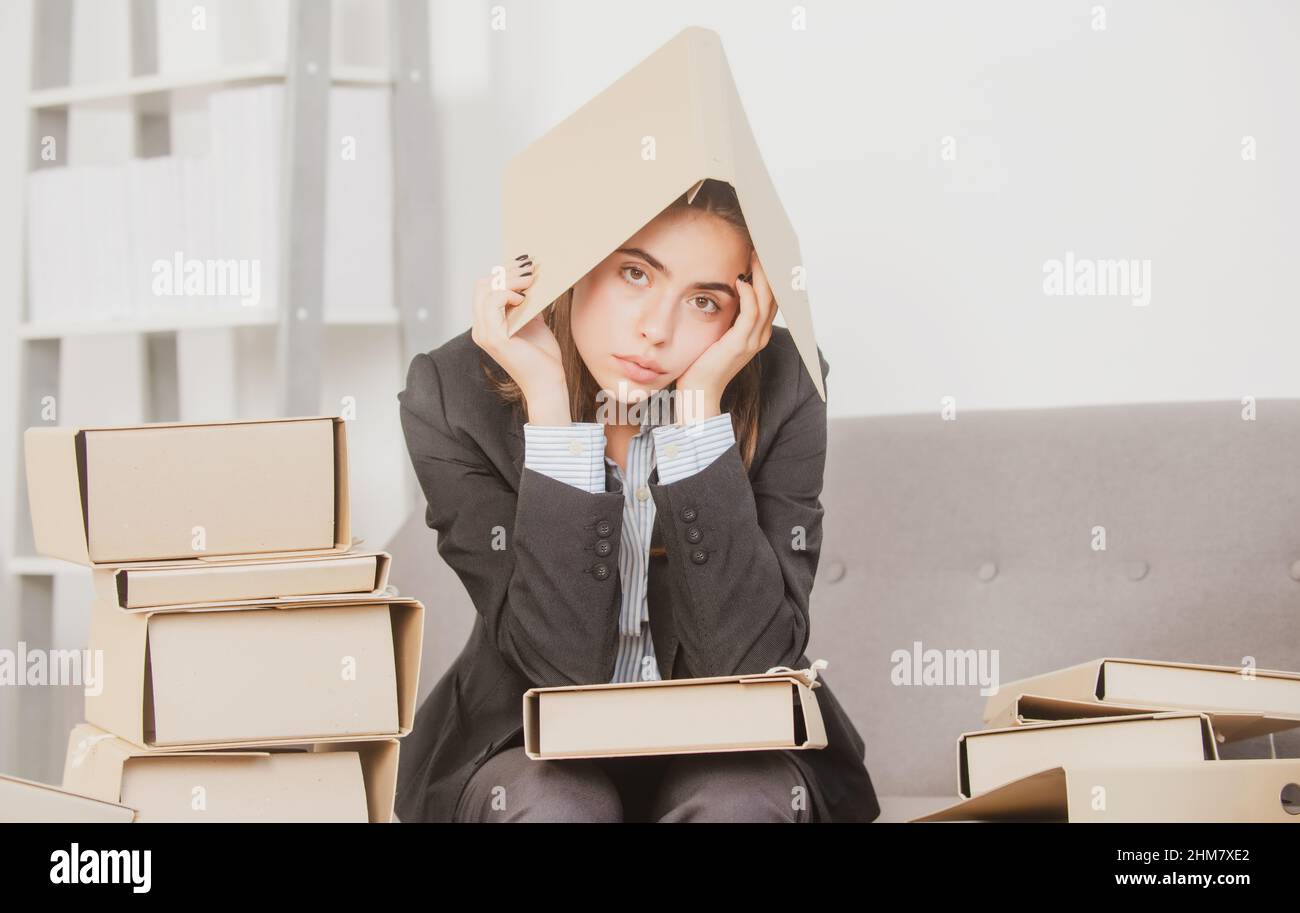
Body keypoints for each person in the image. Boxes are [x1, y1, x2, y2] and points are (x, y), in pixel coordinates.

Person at [395, 178, 881, 822]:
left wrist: (700, 413)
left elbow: (752, 663)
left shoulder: (789, 383)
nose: (657, 330)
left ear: (749, 310)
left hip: (735, 747)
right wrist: (550, 412)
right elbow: (556, 668)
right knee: (552, 807)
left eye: (704, 301)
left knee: (739, 802)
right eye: (634, 273)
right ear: (575, 261)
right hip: (527, 745)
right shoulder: (453, 394)